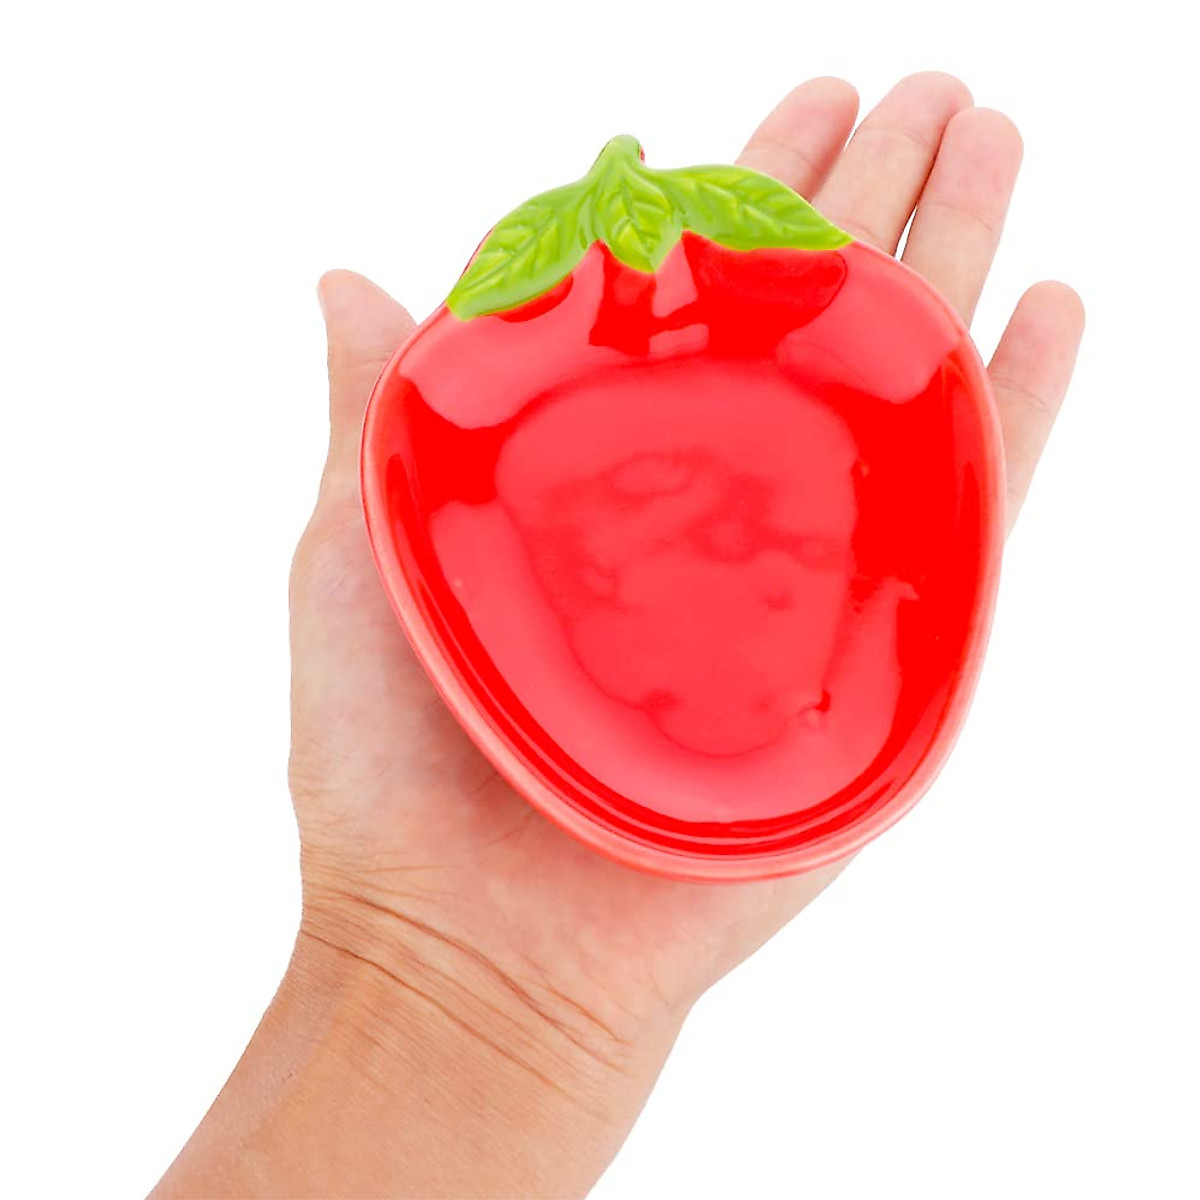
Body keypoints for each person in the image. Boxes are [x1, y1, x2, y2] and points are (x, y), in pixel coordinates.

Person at [152, 72, 1084, 1199]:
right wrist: (441, 980)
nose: (752, 577)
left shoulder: (832, 482)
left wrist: (442, 990)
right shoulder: (481, 441)